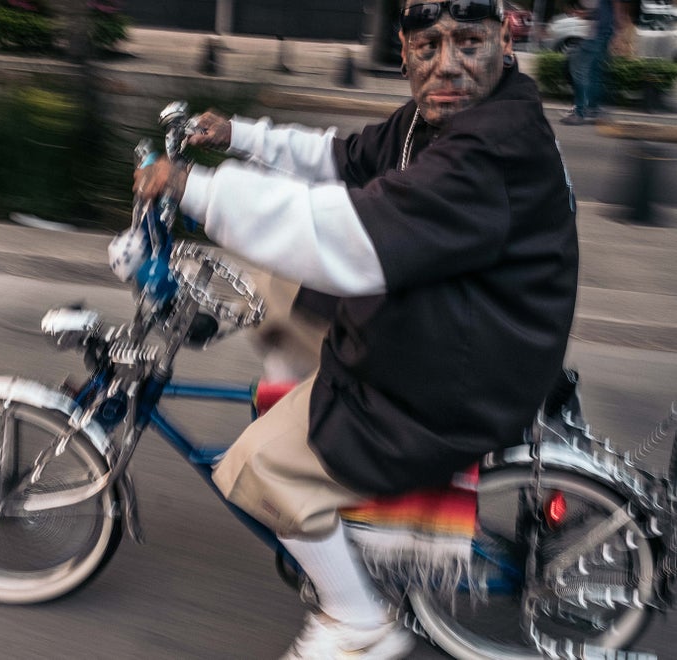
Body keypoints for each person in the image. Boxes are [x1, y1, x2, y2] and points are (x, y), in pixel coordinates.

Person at [134, 0, 579, 656]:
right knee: (276, 289)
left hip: (464, 369)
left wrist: (195, 190)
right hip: (457, 316)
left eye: (469, 42)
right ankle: (306, 407)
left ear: (505, 44)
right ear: (403, 51)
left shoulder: (488, 149)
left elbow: (340, 233)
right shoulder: (441, 119)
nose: (447, 64)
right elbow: (343, 158)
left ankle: (357, 623)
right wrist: (239, 136)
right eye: (428, 45)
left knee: (259, 468)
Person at [561, 0, 619, 124]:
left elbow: (613, 7)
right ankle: (593, 110)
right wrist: (586, 15)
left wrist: (619, 29)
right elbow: (604, 11)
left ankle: (579, 112)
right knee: (594, 72)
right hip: (604, 32)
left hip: (598, 34)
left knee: (578, 69)